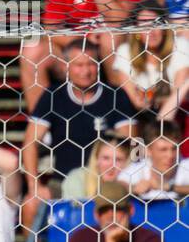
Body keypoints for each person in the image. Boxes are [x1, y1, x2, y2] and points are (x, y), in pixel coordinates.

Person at [23, 41, 140, 226]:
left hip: (108, 181)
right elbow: (30, 144)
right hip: (62, 181)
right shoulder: (53, 95)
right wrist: (34, 186)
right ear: (66, 66)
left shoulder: (115, 95)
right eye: (79, 65)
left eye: (91, 64)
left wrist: (126, 180)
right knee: (30, 205)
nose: (85, 71)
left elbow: (132, 143)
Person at [120, 125, 188, 200]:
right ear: (148, 150)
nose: (170, 155)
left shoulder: (185, 165)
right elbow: (118, 185)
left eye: (174, 148)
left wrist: (168, 187)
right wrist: (133, 189)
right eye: (163, 150)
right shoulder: (139, 168)